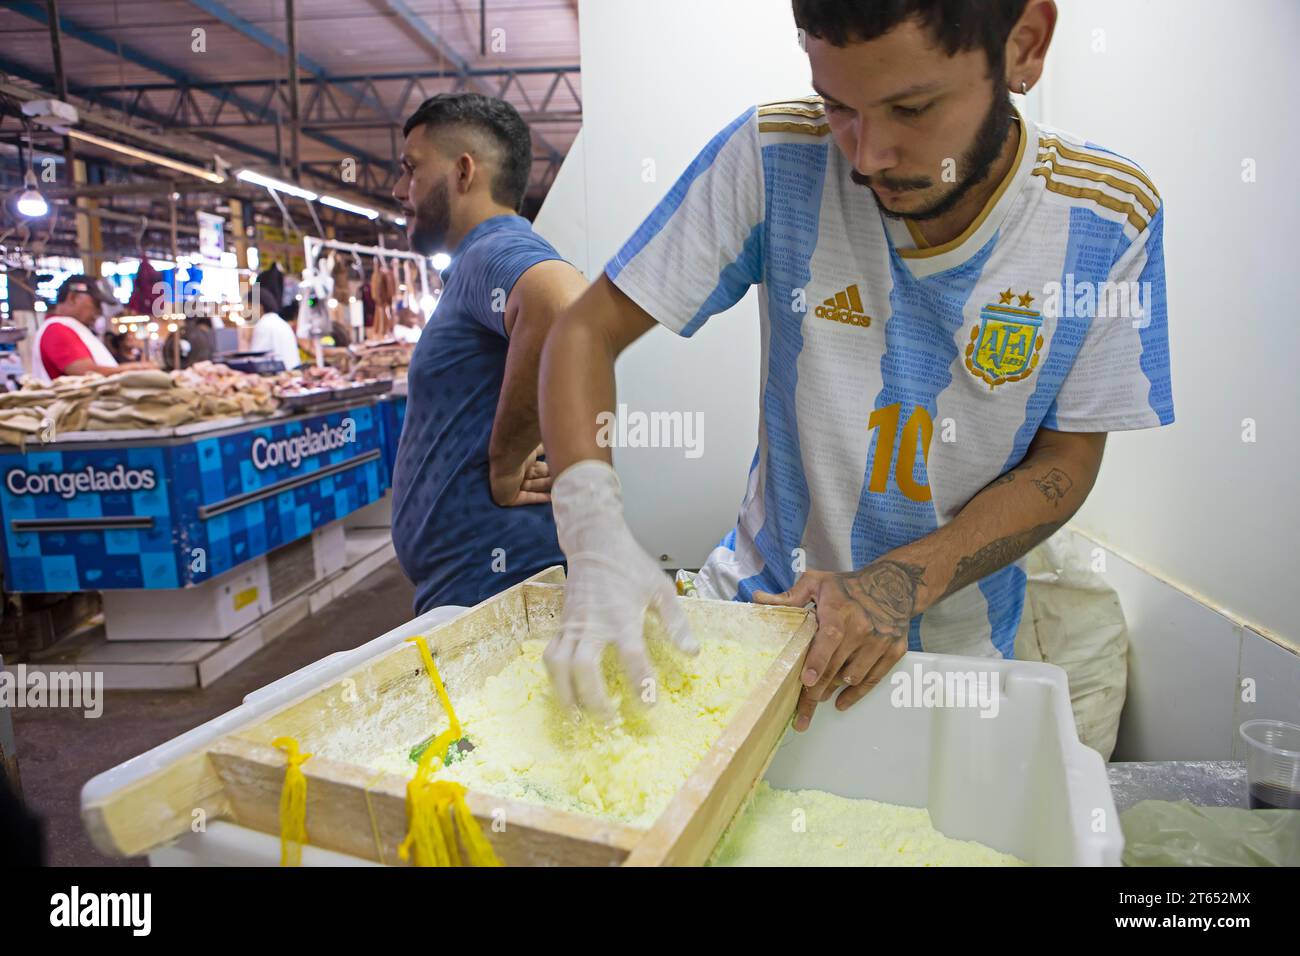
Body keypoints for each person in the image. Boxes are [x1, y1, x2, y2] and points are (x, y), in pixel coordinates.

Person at [537, 0, 1173, 725]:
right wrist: (590, 529)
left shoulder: (1105, 215)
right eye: (837, 105)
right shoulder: (775, 156)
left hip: (952, 668)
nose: (867, 156)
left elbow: (1066, 459)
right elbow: (585, 331)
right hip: (757, 622)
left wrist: (897, 586)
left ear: (1024, 46)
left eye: (912, 107)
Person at [389, 92, 588, 612]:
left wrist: (506, 460)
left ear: (462, 172)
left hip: (493, 590)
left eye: (410, 169)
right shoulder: (477, 263)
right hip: (482, 586)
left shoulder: (491, 249)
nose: (399, 189)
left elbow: (561, 304)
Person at [32, 274, 153, 382]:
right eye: (96, 304)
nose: (99, 312)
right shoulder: (57, 329)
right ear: (73, 297)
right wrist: (136, 368)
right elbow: (86, 373)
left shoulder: (72, 328)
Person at [249, 285, 301, 370]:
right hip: (293, 371)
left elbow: (256, 357)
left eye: (248, 307)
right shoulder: (280, 322)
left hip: (280, 374)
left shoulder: (263, 324)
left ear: (259, 307)